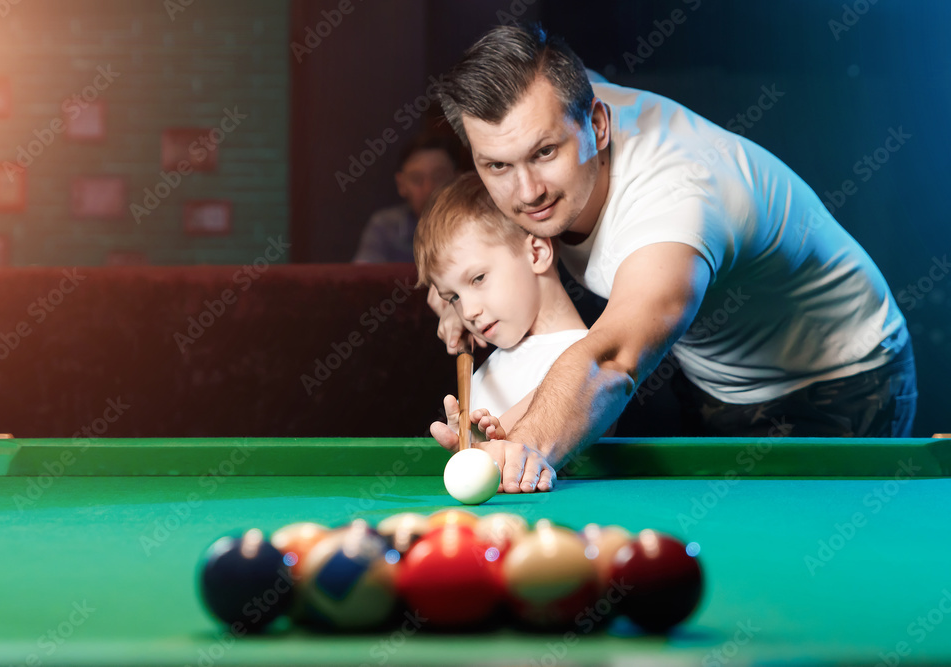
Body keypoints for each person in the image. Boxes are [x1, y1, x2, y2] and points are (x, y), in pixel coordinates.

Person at [427, 23, 917, 493]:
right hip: (713, 379)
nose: (527, 192)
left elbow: (613, 360)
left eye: (545, 153)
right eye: (497, 165)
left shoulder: (675, 203)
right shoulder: (553, 102)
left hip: (840, 382)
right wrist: (458, 292)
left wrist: (522, 447)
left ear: (598, 124)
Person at [415, 172, 589, 459]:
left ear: (536, 253)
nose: (468, 311)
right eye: (454, 297)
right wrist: (470, 442)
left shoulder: (591, 361)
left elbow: (560, 432)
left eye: (478, 278)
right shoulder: (489, 368)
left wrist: (483, 448)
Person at [352, 133, 461, 263]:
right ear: (401, 184)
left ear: (457, 180)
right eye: (416, 179)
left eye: (438, 177)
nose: (428, 189)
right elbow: (364, 272)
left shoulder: (473, 226)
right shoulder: (385, 226)